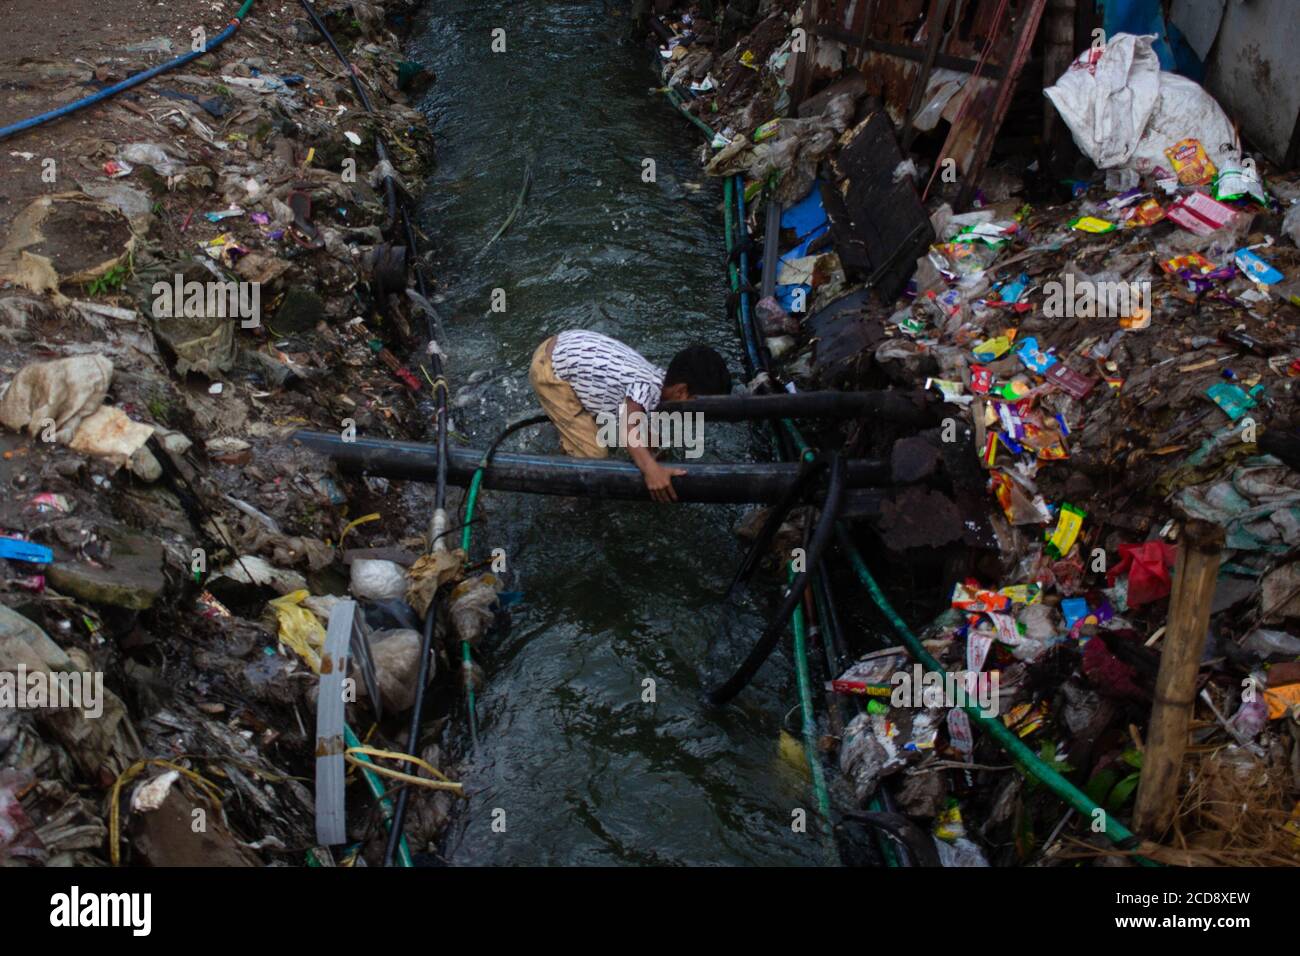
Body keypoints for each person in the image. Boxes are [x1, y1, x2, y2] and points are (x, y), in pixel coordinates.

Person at [528, 330, 731, 502]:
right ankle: (562, 503)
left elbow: (643, 425)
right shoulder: (646, 387)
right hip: (550, 370)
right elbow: (628, 431)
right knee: (595, 459)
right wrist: (651, 469)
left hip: (566, 347)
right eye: (699, 408)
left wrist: (654, 451)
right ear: (681, 392)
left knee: (648, 439)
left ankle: (570, 440)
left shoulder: (660, 384)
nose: (698, 417)